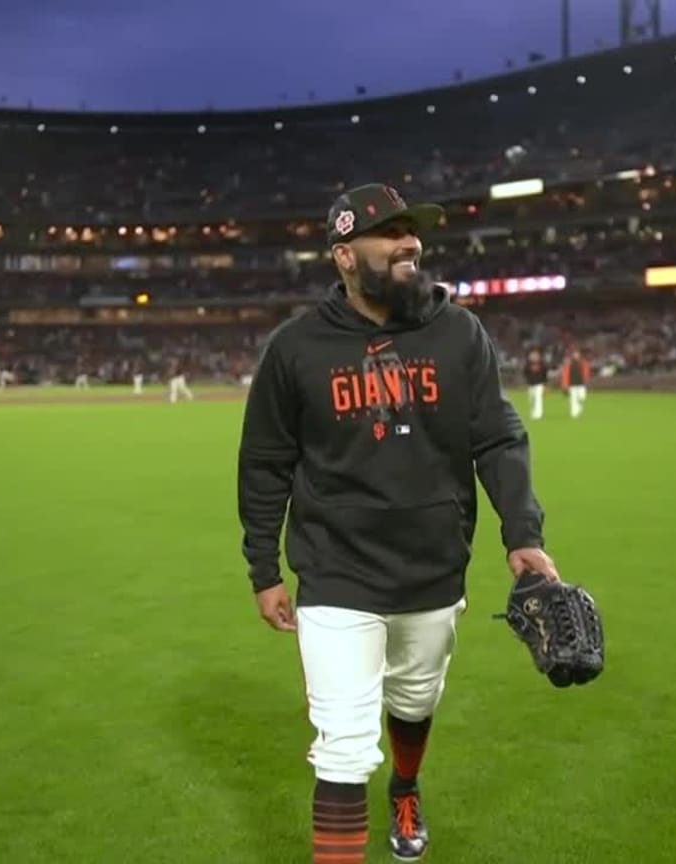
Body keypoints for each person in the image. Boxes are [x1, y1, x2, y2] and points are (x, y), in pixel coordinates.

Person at [235, 183, 559, 863]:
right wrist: (264, 569)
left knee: (414, 702)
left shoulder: (458, 332)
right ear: (344, 254)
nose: (410, 242)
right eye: (389, 232)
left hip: (433, 568)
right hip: (335, 572)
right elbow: (265, 463)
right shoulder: (296, 348)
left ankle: (406, 787)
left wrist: (523, 535)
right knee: (344, 746)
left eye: (413, 231)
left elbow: (497, 438)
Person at [523, 347, 549, 420]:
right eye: (533, 355)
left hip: (539, 384)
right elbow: (525, 374)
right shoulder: (527, 365)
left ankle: (538, 414)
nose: (534, 356)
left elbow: (545, 375)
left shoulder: (542, 365)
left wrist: (545, 384)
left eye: (536, 355)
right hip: (531, 384)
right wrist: (527, 382)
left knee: (538, 399)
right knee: (531, 400)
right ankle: (532, 413)